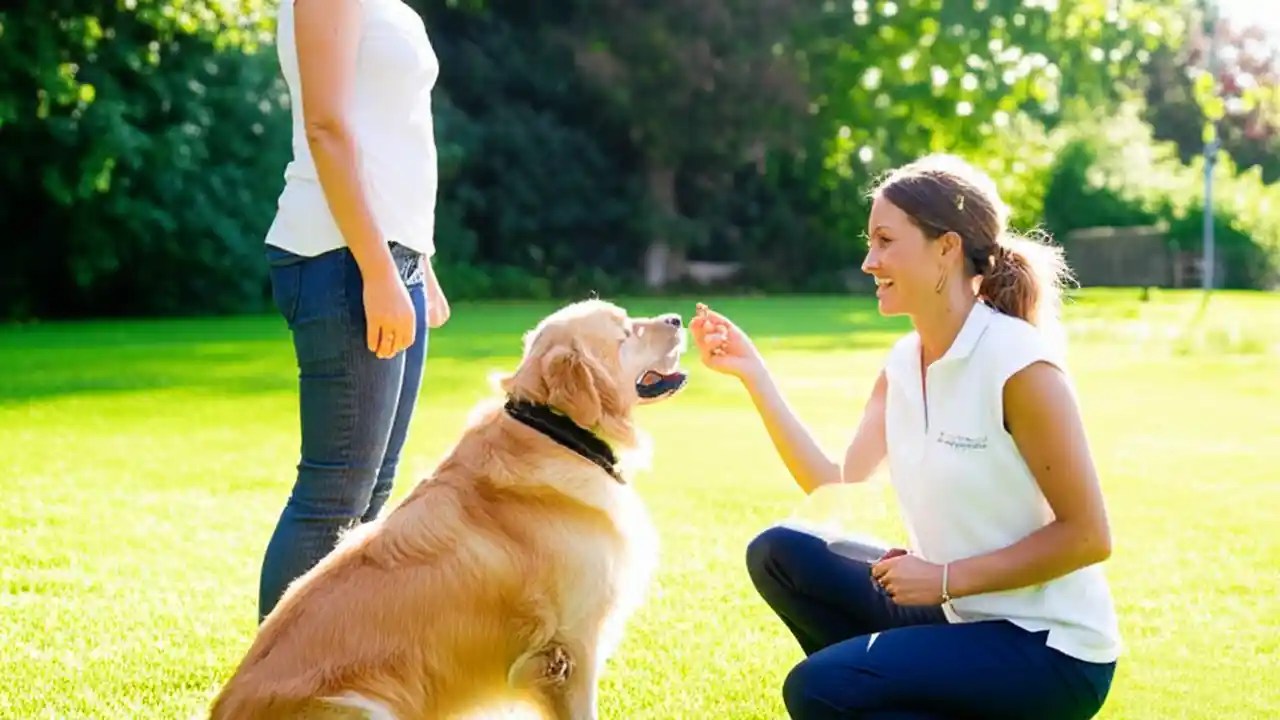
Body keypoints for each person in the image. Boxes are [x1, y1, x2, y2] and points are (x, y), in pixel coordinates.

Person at [691, 154, 1120, 720]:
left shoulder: (1019, 365)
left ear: (946, 248)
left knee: (819, 687)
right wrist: (753, 374)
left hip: (1049, 647)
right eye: (870, 242)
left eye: (886, 241)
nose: (869, 261)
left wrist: (943, 578)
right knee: (780, 555)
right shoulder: (902, 364)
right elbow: (834, 483)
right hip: (956, 612)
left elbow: (1088, 536)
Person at [256, 0, 451, 621]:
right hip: (341, 255)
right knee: (333, 498)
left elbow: (394, 132)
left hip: (389, 257)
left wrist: (419, 261)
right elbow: (326, 128)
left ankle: (333, 670)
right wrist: (378, 269)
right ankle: (278, 678)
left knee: (368, 498)